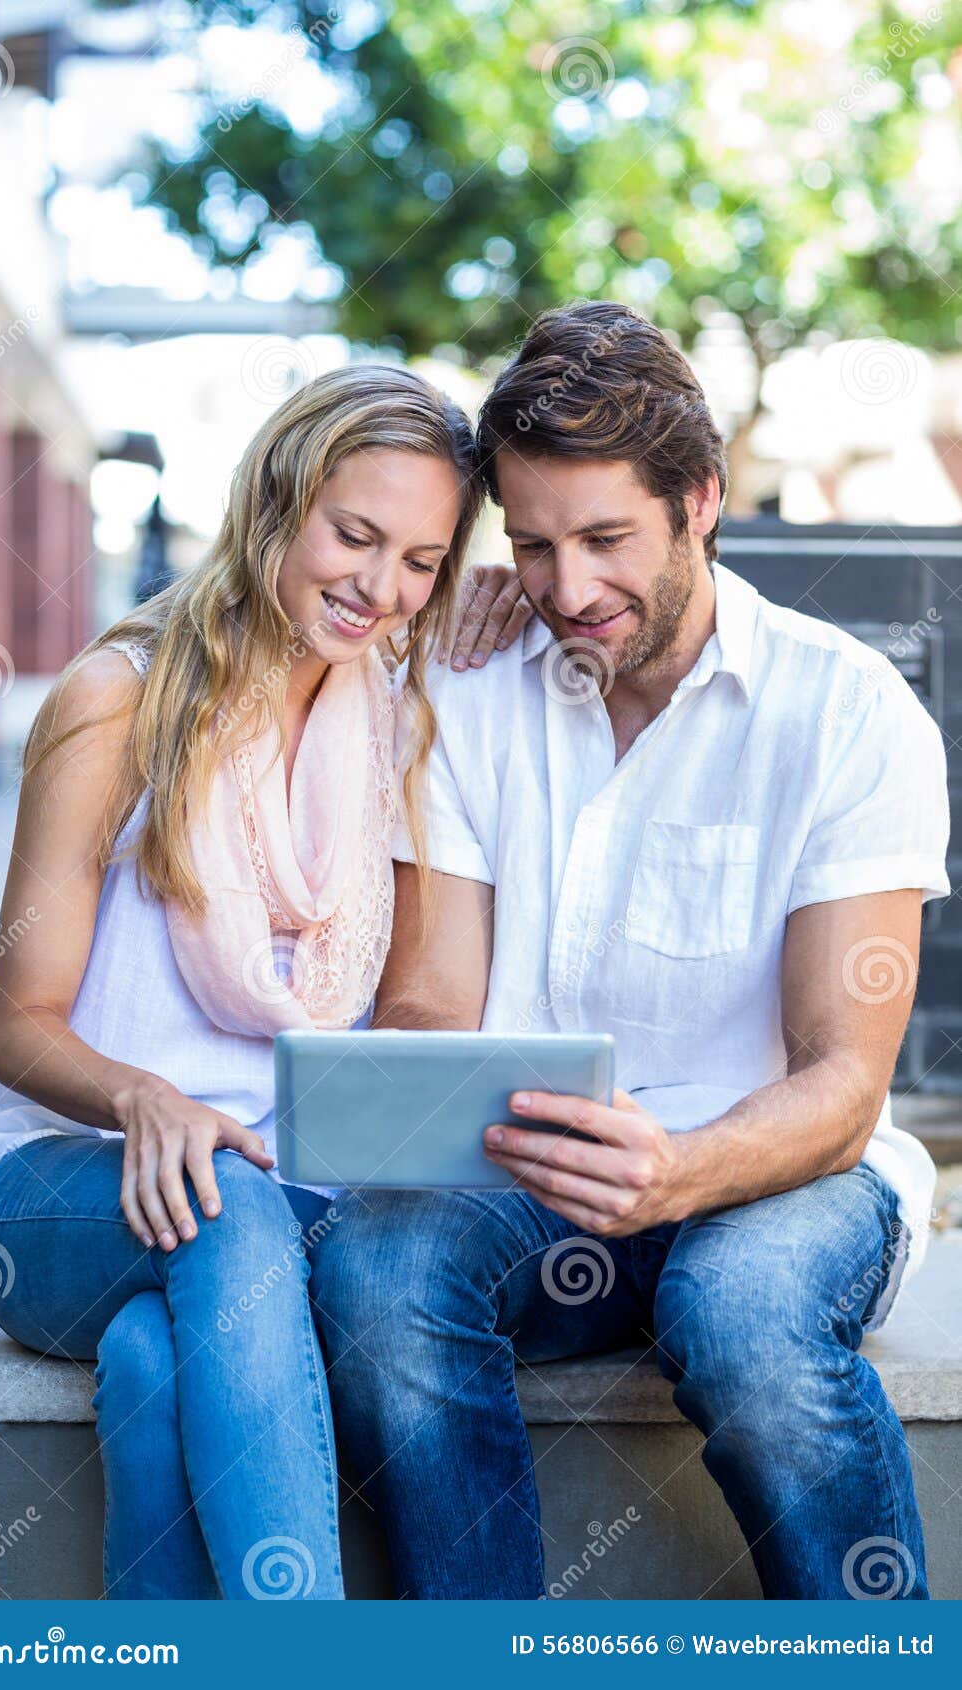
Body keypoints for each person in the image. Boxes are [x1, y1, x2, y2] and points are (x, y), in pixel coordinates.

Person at [310, 302, 951, 1601]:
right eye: (531, 548)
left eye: (605, 539)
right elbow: (431, 1000)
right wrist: (430, 1104)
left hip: (786, 1171)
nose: (566, 590)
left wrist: (680, 1170)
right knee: (376, 1272)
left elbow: (841, 1083)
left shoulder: (842, 712)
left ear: (700, 499)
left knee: (742, 1315)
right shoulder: (473, 687)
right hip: (536, 1171)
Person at [0, 364, 503, 1600]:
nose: (378, 587)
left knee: (153, 1357)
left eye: (419, 559)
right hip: (57, 1181)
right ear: (272, 502)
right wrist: (146, 1098)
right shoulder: (116, 701)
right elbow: (16, 1025)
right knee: (225, 1209)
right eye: (352, 535)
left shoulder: (401, 723)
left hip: (276, 1191)